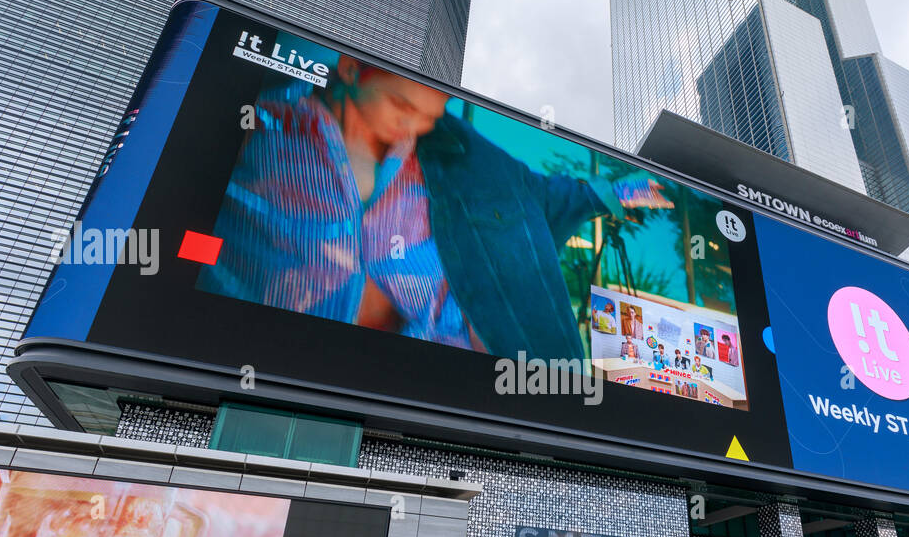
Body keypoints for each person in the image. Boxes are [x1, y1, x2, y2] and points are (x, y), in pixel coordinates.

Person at [204, 57, 665, 362]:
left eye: (431, 112)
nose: (417, 124)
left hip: (488, 384)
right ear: (349, 69)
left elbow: (555, 195)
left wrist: (626, 192)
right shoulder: (262, 128)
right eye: (400, 104)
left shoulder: (469, 157)